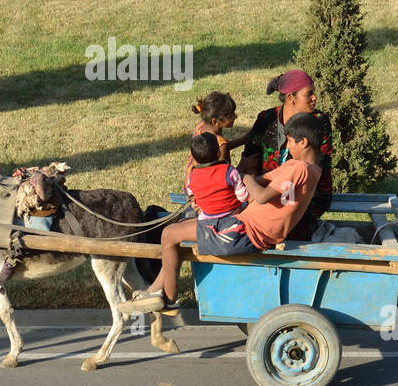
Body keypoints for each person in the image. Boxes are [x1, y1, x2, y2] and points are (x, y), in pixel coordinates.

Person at [121, 113, 325, 315]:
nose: (287, 147)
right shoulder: (299, 167)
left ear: (304, 142)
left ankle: (169, 299)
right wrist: (238, 179)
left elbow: (261, 195)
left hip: (244, 231)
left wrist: (242, 178)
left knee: (169, 234)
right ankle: (155, 292)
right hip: (244, 225)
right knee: (175, 232)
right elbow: (261, 180)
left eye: (289, 142)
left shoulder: (300, 168)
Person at [238, 69, 332, 240]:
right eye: (309, 94)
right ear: (291, 98)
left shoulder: (318, 122)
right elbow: (249, 158)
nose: (314, 98)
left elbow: (316, 167)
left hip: (303, 197)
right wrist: (251, 192)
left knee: (276, 228)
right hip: (265, 193)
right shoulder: (266, 119)